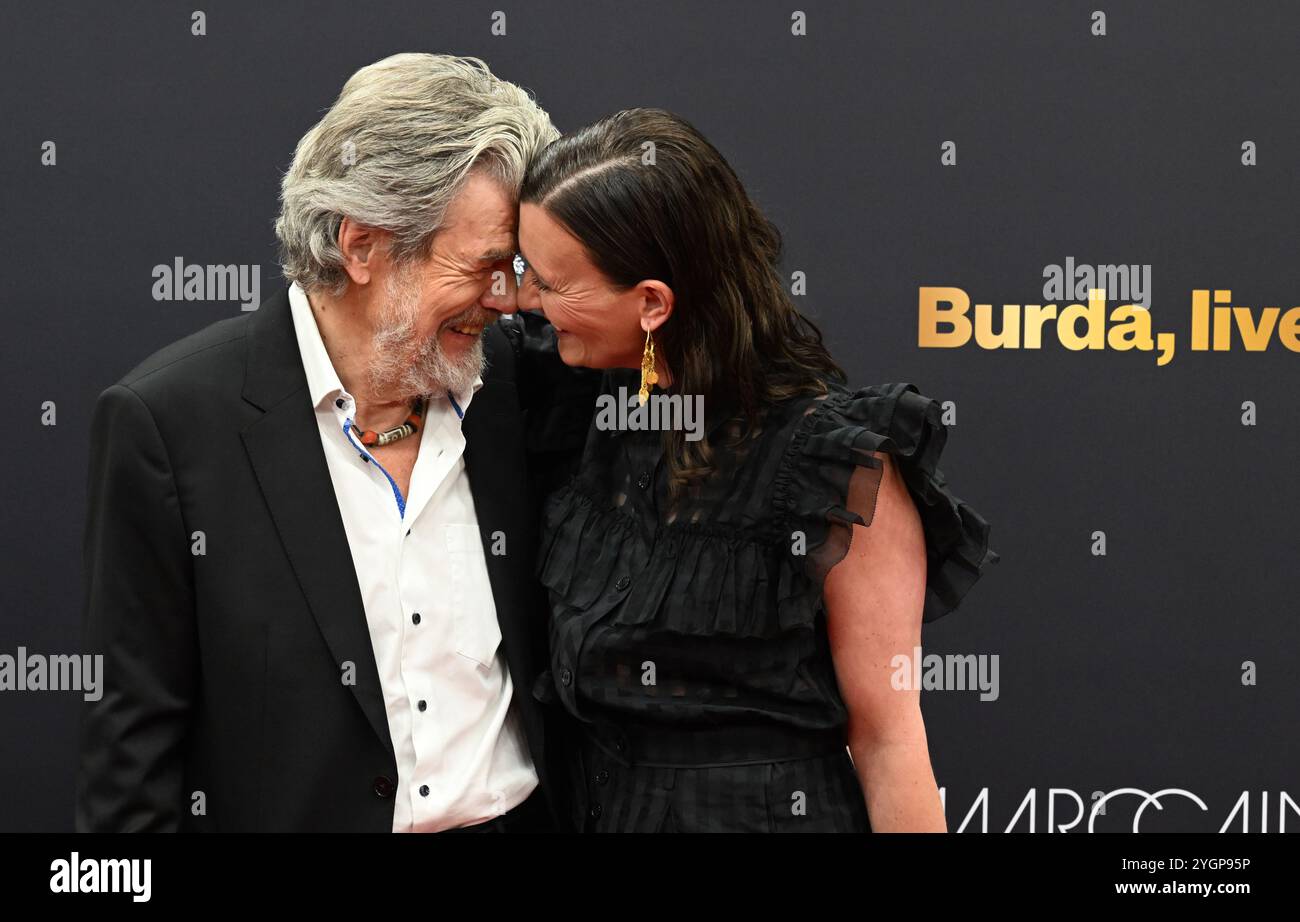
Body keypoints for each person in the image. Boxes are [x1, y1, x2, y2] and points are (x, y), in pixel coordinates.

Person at [76, 53, 566, 832]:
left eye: (514, 269)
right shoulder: (169, 425)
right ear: (363, 246)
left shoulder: (522, 382)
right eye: (481, 267)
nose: (506, 299)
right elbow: (132, 758)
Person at [512, 107, 1001, 832]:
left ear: (652, 303)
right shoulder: (579, 408)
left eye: (550, 283)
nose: (524, 300)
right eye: (525, 270)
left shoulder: (832, 464)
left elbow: (889, 742)